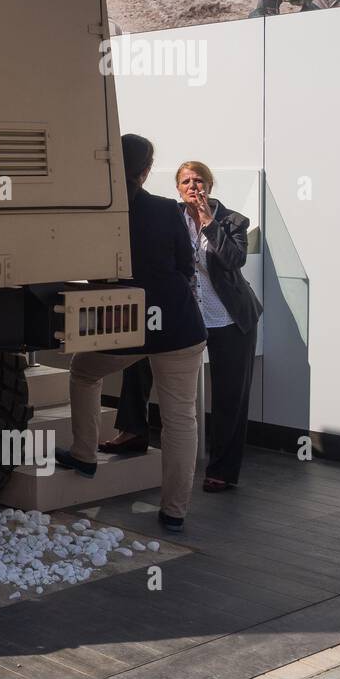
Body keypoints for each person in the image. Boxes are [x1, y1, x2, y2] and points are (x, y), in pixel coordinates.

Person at [56, 135, 207, 532]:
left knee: (84, 372)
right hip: (178, 323)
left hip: (125, 322)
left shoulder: (96, 210)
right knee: (180, 419)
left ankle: (85, 453)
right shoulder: (166, 210)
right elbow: (185, 265)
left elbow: (90, 268)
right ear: (146, 170)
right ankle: (174, 511)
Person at [101, 163, 262, 491]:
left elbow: (233, 260)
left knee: (230, 395)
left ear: (210, 185)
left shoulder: (233, 221)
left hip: (229, 318)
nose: (193, 186)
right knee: (138, 358)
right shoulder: (168, 216)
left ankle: (222, 471)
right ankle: (133, 431)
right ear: (177, 188)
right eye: (186, 181)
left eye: (199, 180)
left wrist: (208, 223)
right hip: (184, 315)